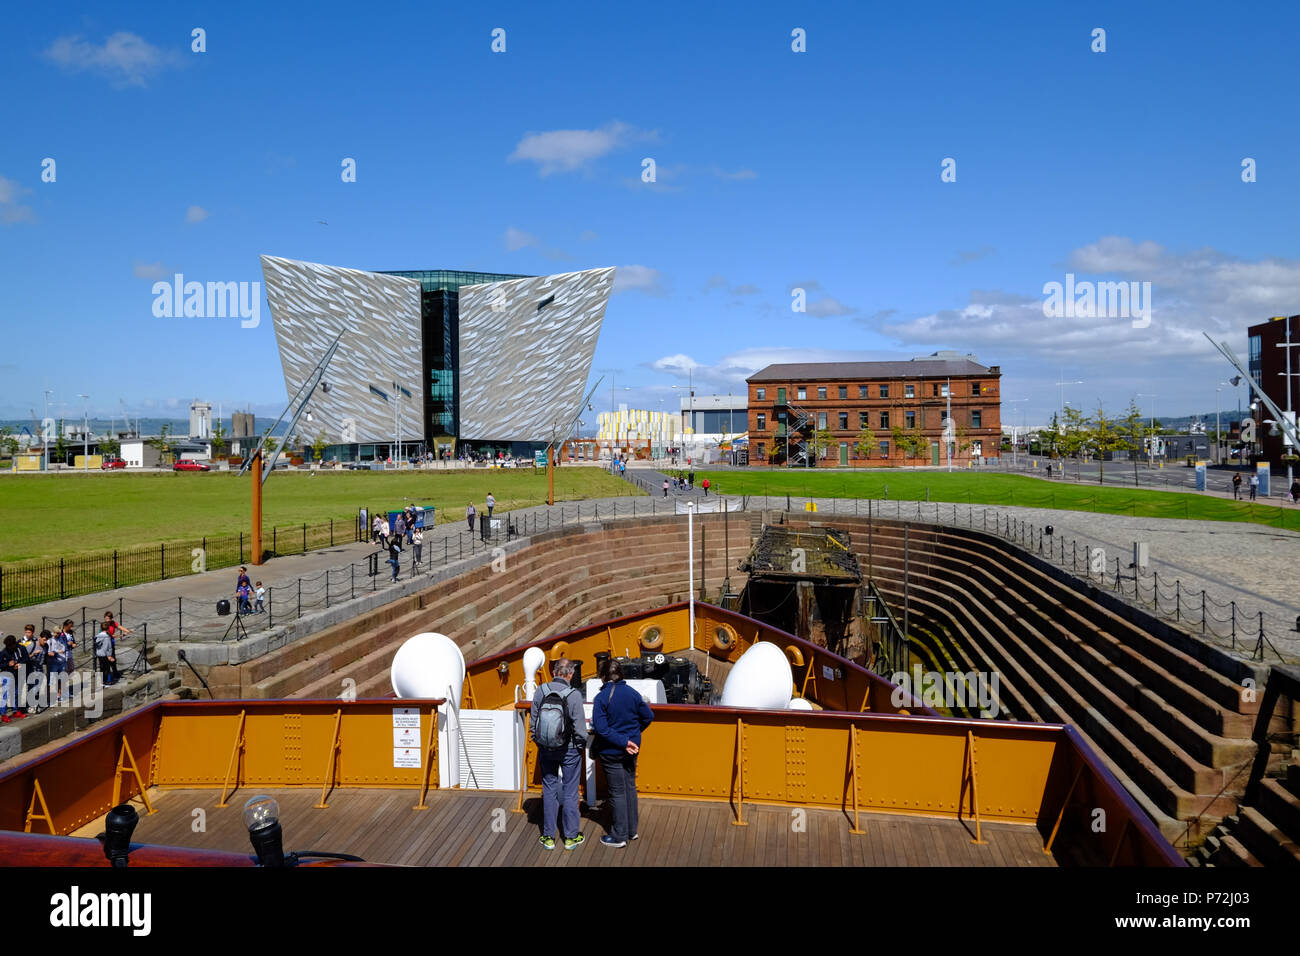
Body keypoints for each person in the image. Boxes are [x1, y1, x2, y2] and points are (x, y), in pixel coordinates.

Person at [591, 659, 654, 847]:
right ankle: (632, 831)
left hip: (612, 751)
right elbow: (648, 716)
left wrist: (622, 741)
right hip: (632, 748)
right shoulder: (633, 694)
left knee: (617, 792)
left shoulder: (601, 698)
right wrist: (632, 736)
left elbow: (601, 729)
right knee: (629, 787)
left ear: (603, 677)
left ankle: (619, 836)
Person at [530, 657, 588, 851]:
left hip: (546, 748)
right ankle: (570, 837)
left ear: (554, 673)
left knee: (549, 789)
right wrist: (580, 744)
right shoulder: (574, 695)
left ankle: (548, 836)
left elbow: (533, 724)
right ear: (571, 675)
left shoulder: (540, 691)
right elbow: (580, 729)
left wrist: (540, 742)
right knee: (571, 792)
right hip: (569, 749)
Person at [0, 635, 27, 723]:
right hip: (6, 675)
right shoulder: (4, 652)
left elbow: (26, 658)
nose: (9, 648)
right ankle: (3, 715)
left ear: (14, 644)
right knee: (5, 695)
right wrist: (8, 664)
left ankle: (15, 711)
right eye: (8, 646)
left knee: (16, 693)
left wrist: (19, 664)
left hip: (17, 674)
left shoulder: (20, 648)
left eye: (11, 646)